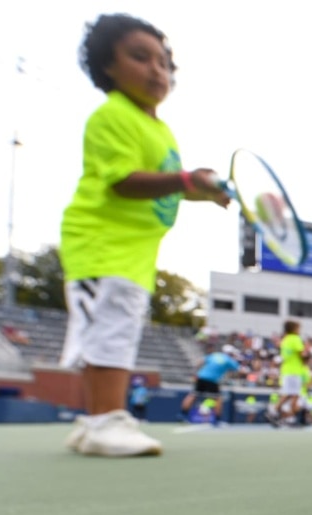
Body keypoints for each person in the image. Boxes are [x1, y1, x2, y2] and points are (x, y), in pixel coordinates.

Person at [59, 13, 230, 456]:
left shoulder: (159, 129)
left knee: (112, 332)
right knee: (109, 334)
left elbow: (166, 184)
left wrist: (198, 189)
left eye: (164, 62)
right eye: (141, 58)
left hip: (133, 251)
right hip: (103, 245)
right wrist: (187, 179)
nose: (157, 70)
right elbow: (124, 181)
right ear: (108, 66)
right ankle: (105, 422)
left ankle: (95, 421)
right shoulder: (111, 116)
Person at [179, 345, 240, 425]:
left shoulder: (214, 355)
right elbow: (237, 369)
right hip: (213, 380)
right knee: (218, 399)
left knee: (193, 395)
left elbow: (200, 362)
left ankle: (182, 415)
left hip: (201, 376)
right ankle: (217, 420)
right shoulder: (229, 360)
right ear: (230, 353)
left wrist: (195, 372)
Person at [274, 320, 311, 428]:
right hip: (294, 371)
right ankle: (280, 414)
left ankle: (281, 415)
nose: (300, 330)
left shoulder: (285, 340)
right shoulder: (295, 339)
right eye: (298, 328)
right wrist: (307, 352)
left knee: (291, 394)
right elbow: (302, 355)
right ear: (294, 329)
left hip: (287, 369)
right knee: (294, 395)